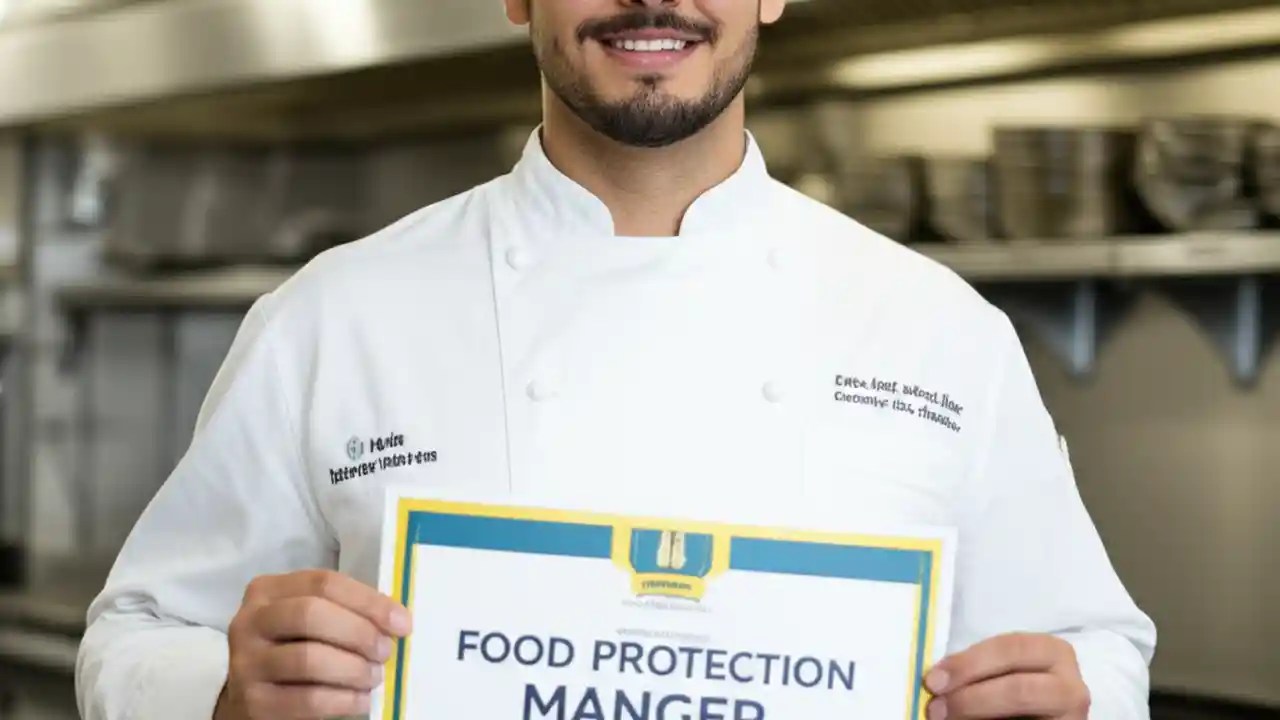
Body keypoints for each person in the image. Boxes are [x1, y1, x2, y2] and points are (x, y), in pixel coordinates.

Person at [76, 1, 1157, 718]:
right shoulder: (334, 315)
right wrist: (223, 685)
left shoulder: (937, 328)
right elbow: (133, 638)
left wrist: (1070, 696)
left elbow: (1096, 650)